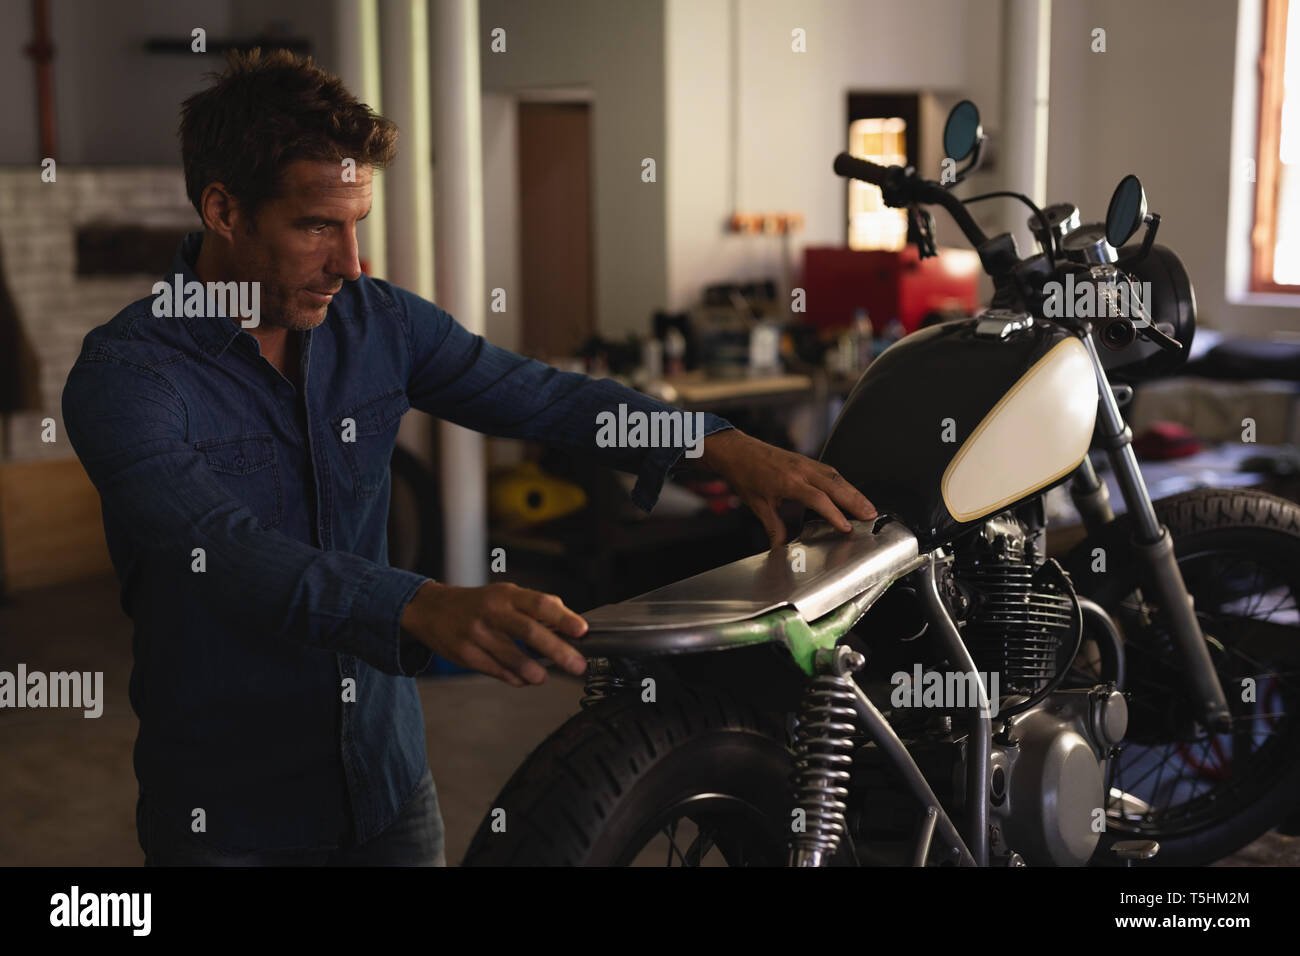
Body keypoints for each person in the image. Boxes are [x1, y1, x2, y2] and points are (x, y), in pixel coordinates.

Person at [61, 49, 876, 867]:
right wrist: (419, 605)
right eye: (316, 227)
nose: (349, 265)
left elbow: (545, 397)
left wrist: (713, 441)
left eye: (356, 226)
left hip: (387, 787)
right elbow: (218, 549)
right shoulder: (127, 375)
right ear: (224, 209)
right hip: (232, 818)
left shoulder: (379, 324)